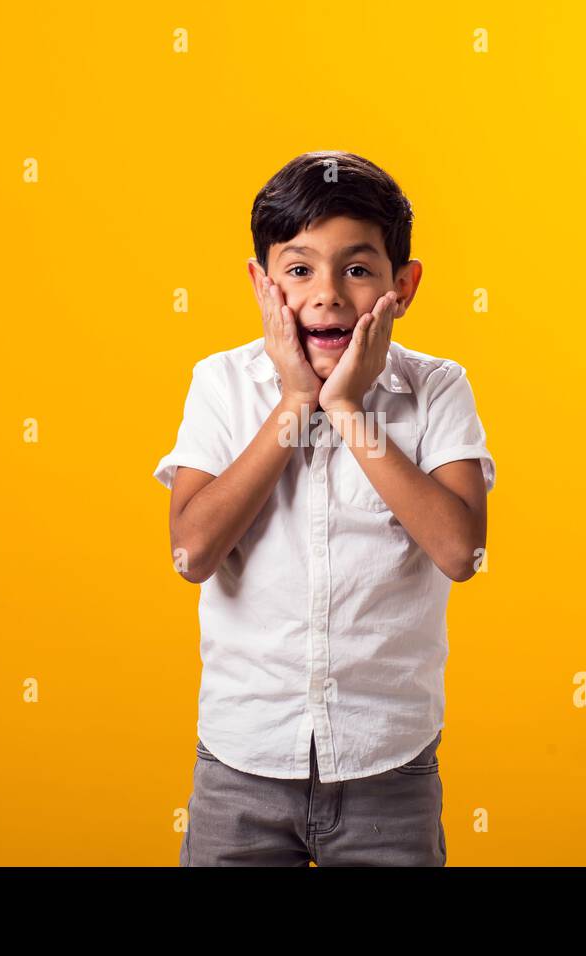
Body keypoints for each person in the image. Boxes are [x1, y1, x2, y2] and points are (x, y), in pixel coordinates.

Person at [153, 150, 496, 865]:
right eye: (300, 269)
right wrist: (296, 401)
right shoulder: (222, 384)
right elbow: (192, 553)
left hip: (388, 768)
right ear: (262, 282)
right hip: (242, 764)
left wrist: (343, 407)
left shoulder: (437, 389)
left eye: (359, 269)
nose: (328, 295)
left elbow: (461, 551)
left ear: (402, 286)